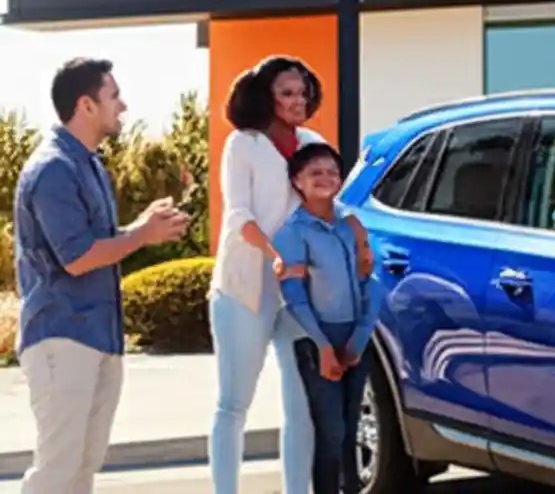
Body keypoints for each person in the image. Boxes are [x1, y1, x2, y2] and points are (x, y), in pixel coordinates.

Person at [13, 57, 189, 494]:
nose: (123, 106)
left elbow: (98, 243)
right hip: (62, 337)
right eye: (114, 96)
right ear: (86, 106)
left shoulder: (87, 164)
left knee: (81, 470)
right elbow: (77, 258)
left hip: (97, 337)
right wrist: (142, 234)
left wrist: (138, 228)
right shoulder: (54, 169)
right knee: (57, 469)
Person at [207, 56, 373, 494]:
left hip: (301, 296)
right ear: (266, 96)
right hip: (245, 289)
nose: (297, 101)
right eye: (287, 93)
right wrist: (275, 253)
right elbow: (238, 215)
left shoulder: (313, 141)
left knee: (302, 408)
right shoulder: (243, 143)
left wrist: (357, 238)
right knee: (233, 405)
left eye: (302, 92)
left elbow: (330, 204)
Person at [274, 143, 385, 494]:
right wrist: (323, 346)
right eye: (314, 173)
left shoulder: (352, 225)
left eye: (332, 172)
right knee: (331, 429)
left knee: (351, 429)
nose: (325, 178)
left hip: (356, 337)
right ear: (297, 182)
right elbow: (294, 297)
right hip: (315, 340)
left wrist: (361, 337)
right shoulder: (293, 232)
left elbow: (372, 281)